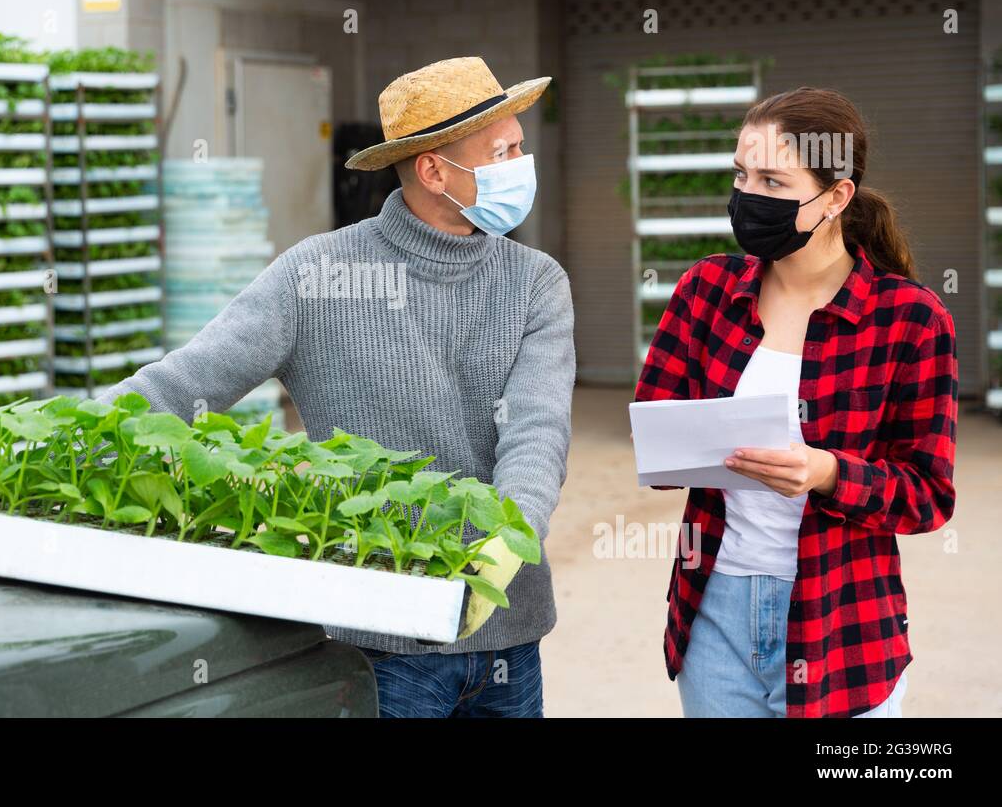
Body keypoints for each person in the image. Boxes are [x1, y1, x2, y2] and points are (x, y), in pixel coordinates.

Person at [101, 57, 574, 717]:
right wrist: (49, 438)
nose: (523, 163)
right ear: (435, 171)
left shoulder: (535, 283)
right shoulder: (314, 277)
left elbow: (537, 427)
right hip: (375, 644)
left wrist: (506, 537)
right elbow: (183, 384)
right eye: (505, 151)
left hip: (505, 637)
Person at [634, 87, 957, 717]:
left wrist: (828, 473)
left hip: (842, 620)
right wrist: (681, 449)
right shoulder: (705, 289)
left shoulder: (911, 319)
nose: (748, 195)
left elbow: (928, 495)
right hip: (713, 610)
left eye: (774, 181)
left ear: (836, 197)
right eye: (741, 173)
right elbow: (656, 429)